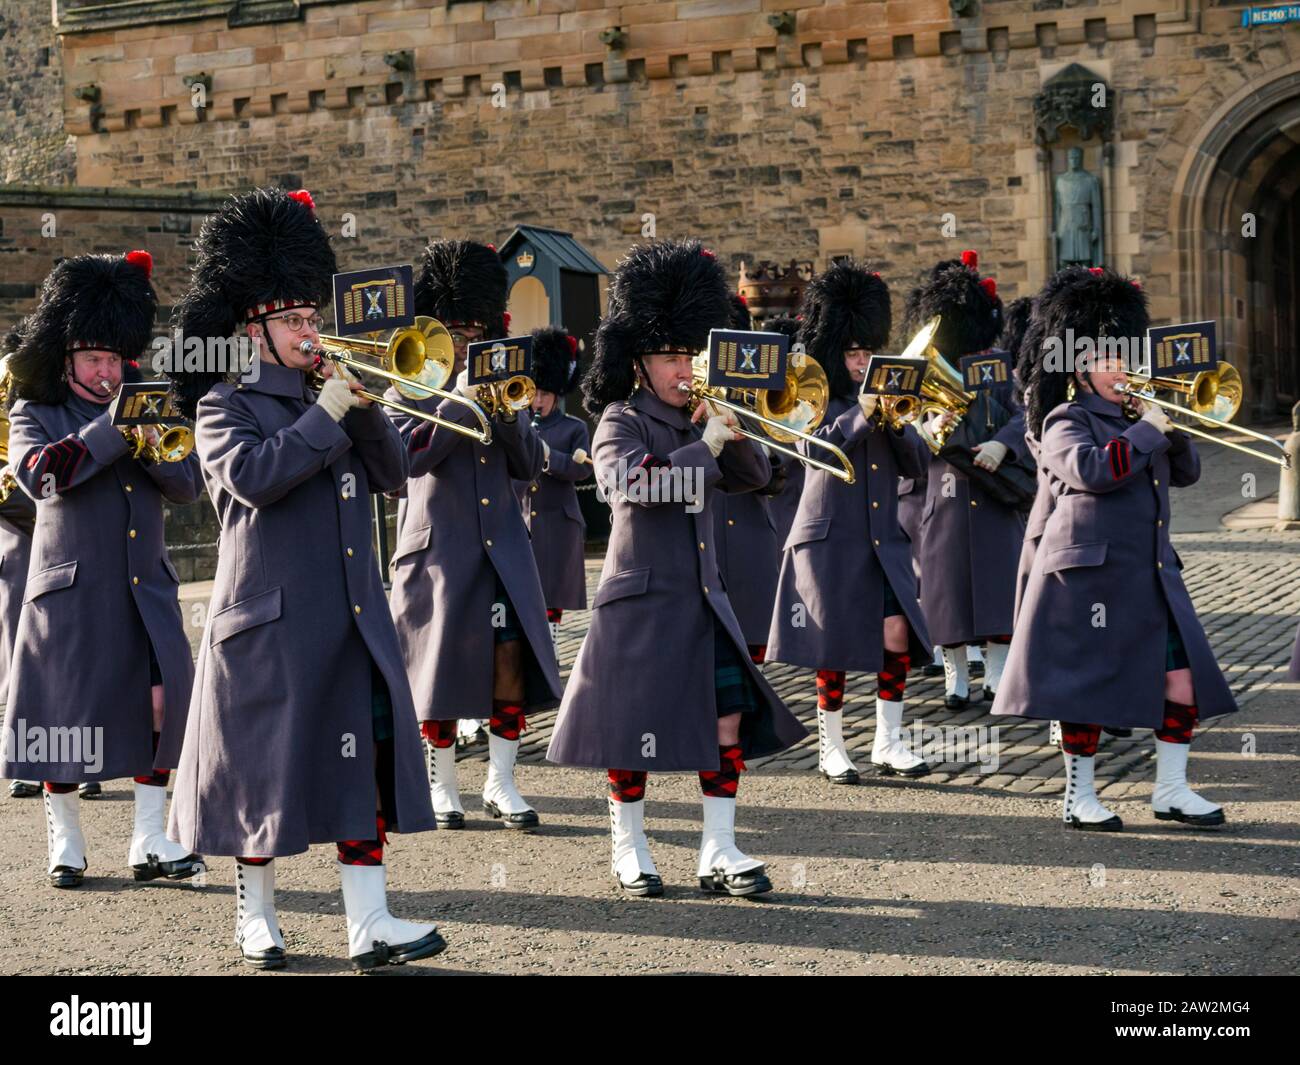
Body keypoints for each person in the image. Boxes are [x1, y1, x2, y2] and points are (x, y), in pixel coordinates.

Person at [167, 187, 442, 970]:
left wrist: (363, 411)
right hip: (267, 620)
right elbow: (255, 477)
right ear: (252, 327)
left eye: (311, 317)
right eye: (293, 320)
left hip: (350, 614)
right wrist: (325, 413)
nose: (309, 330)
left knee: (359, 773)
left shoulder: (334, 392)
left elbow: (394, 476)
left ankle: (370, 919)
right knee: (260, 774)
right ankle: (256, 918)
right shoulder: (225, 403)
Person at [548, 240, 806, 898]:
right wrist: (704, 446)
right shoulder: (619, 420)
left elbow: (755, 481)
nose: (682, 368)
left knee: (723, 721)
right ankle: (628, 844)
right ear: (638, 360)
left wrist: (735, 434)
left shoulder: (704, 415)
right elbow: (631, 486)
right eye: (669, 356)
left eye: (690, 354)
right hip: (640, 595)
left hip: (703, 595)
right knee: (631, 731)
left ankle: (718, 845)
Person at [993, 267, 1234, 830]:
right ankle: (1079, 798)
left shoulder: (1135, 416)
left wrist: (1175, 429)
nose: (1120, 370)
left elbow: (1188, 475)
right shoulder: (1065, 419)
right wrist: (1147, 428)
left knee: (1182, 681)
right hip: (1088, 576)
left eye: (1124, 359)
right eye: (1107, 360)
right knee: (1087, 690)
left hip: (1147, 570)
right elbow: (1093, 472)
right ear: (1081, 368)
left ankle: (1171, 789)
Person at [0, 250, 204, 889]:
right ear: (67, 359)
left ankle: (150, 836)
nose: (108, 371)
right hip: (71, 587)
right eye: (94, 359)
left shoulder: (149, 405)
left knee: (161, 706)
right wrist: (114, 430)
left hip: (145, 583)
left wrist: (152, 444)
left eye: (116, 359)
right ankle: (66, 837)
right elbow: (40, 477)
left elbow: (188, 486)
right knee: (64, 719)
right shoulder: (35, 410)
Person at [386, 240, 562, 830]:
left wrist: (510, 415)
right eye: (455, 333)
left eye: (475, 333)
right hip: (437, 548)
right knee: (438, 672)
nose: (465, 345)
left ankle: (501, 780)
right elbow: (405, 462)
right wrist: (460, 404)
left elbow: (529, 466)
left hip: (503, 548)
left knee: (509, 664)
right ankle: (440, 783)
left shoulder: (505, 388)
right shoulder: (405, 389)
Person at [767, 261, 932, 782]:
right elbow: (814, 451)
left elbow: (918, 466)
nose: (861, 363)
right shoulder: (811, 395)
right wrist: (862, 413)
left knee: (898, 633)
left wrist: (900, 423)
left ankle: (889, 740)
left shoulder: (885, 397)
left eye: (867, 353)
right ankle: (831, 746)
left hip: (883, 538)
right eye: (852, 353)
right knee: (832, 644)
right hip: (830, 537)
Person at [903, 251, 1027, 706]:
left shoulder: (994, 364)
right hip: (945, 492)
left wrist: (1003, 444)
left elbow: (1022, 414)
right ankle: (956, 678)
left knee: (998, 587)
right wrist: (924, 429)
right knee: (946, 591)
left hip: (993, 488)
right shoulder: (924, 368)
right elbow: (904, 424)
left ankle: (996, 674)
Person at [712, 293, 782, 663]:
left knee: (753, 645)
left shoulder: (759, 397)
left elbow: (776, 473)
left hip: (751, 530)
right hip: (706, 531)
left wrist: (764, 450)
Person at [519, 326, 592, 646]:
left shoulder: (573, 427)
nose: (538, 400)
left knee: (552, 593)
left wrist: (549, 457)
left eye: (545, 394)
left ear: (557, 394)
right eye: (535, 393)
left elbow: (582, 469)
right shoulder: (519, 424)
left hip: (557, 519)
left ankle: (551, 646)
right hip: (523, 519)